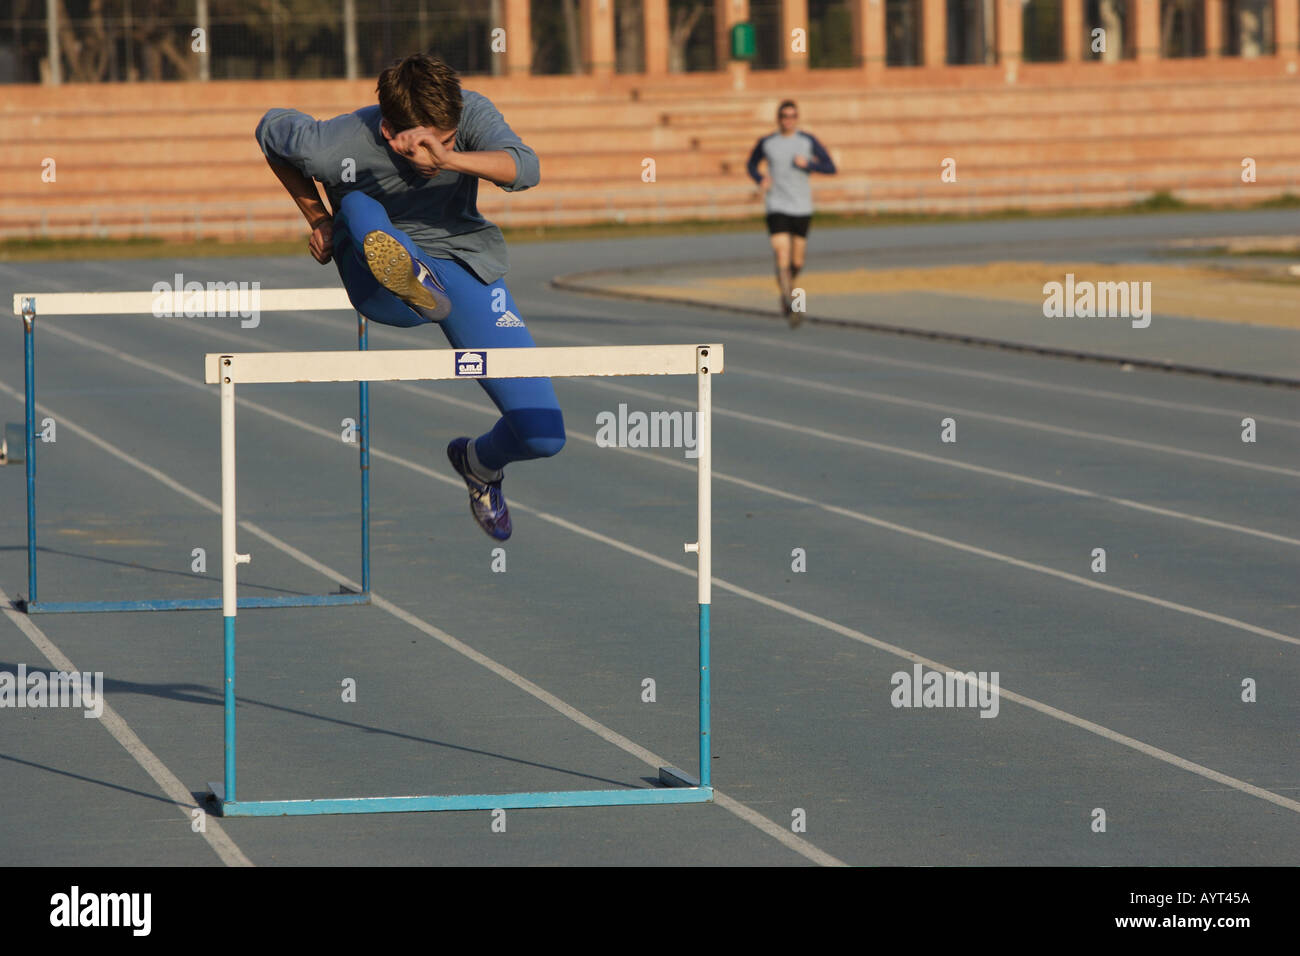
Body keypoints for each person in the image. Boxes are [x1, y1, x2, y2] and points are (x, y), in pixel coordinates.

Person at [255, 53, 564, 542]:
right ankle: (406, 271)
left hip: (460, 266)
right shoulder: (334, 144)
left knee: (543, 433)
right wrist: (317, 217)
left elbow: (526, 169)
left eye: (445, 136)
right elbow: (269, 130)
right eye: (425, 142)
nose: (435, 149)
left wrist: (450, 157)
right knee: (357, 203)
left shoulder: (468, 113)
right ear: (387, 133)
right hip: (376, 278)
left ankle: (478, 464)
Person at [745, 99, 837, 327]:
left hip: (802, 207)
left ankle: (787, 287)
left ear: (797, 118)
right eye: (784, 116)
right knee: (781, 254)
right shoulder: (767, 142)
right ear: (778, 119)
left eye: (792, 116)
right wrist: (760, 178)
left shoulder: (807, 141)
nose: (788, 120)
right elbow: (751, 164)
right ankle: (793, 304)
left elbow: (830, 167)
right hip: (776, 205)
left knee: (797, 260)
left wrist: (808, 164)